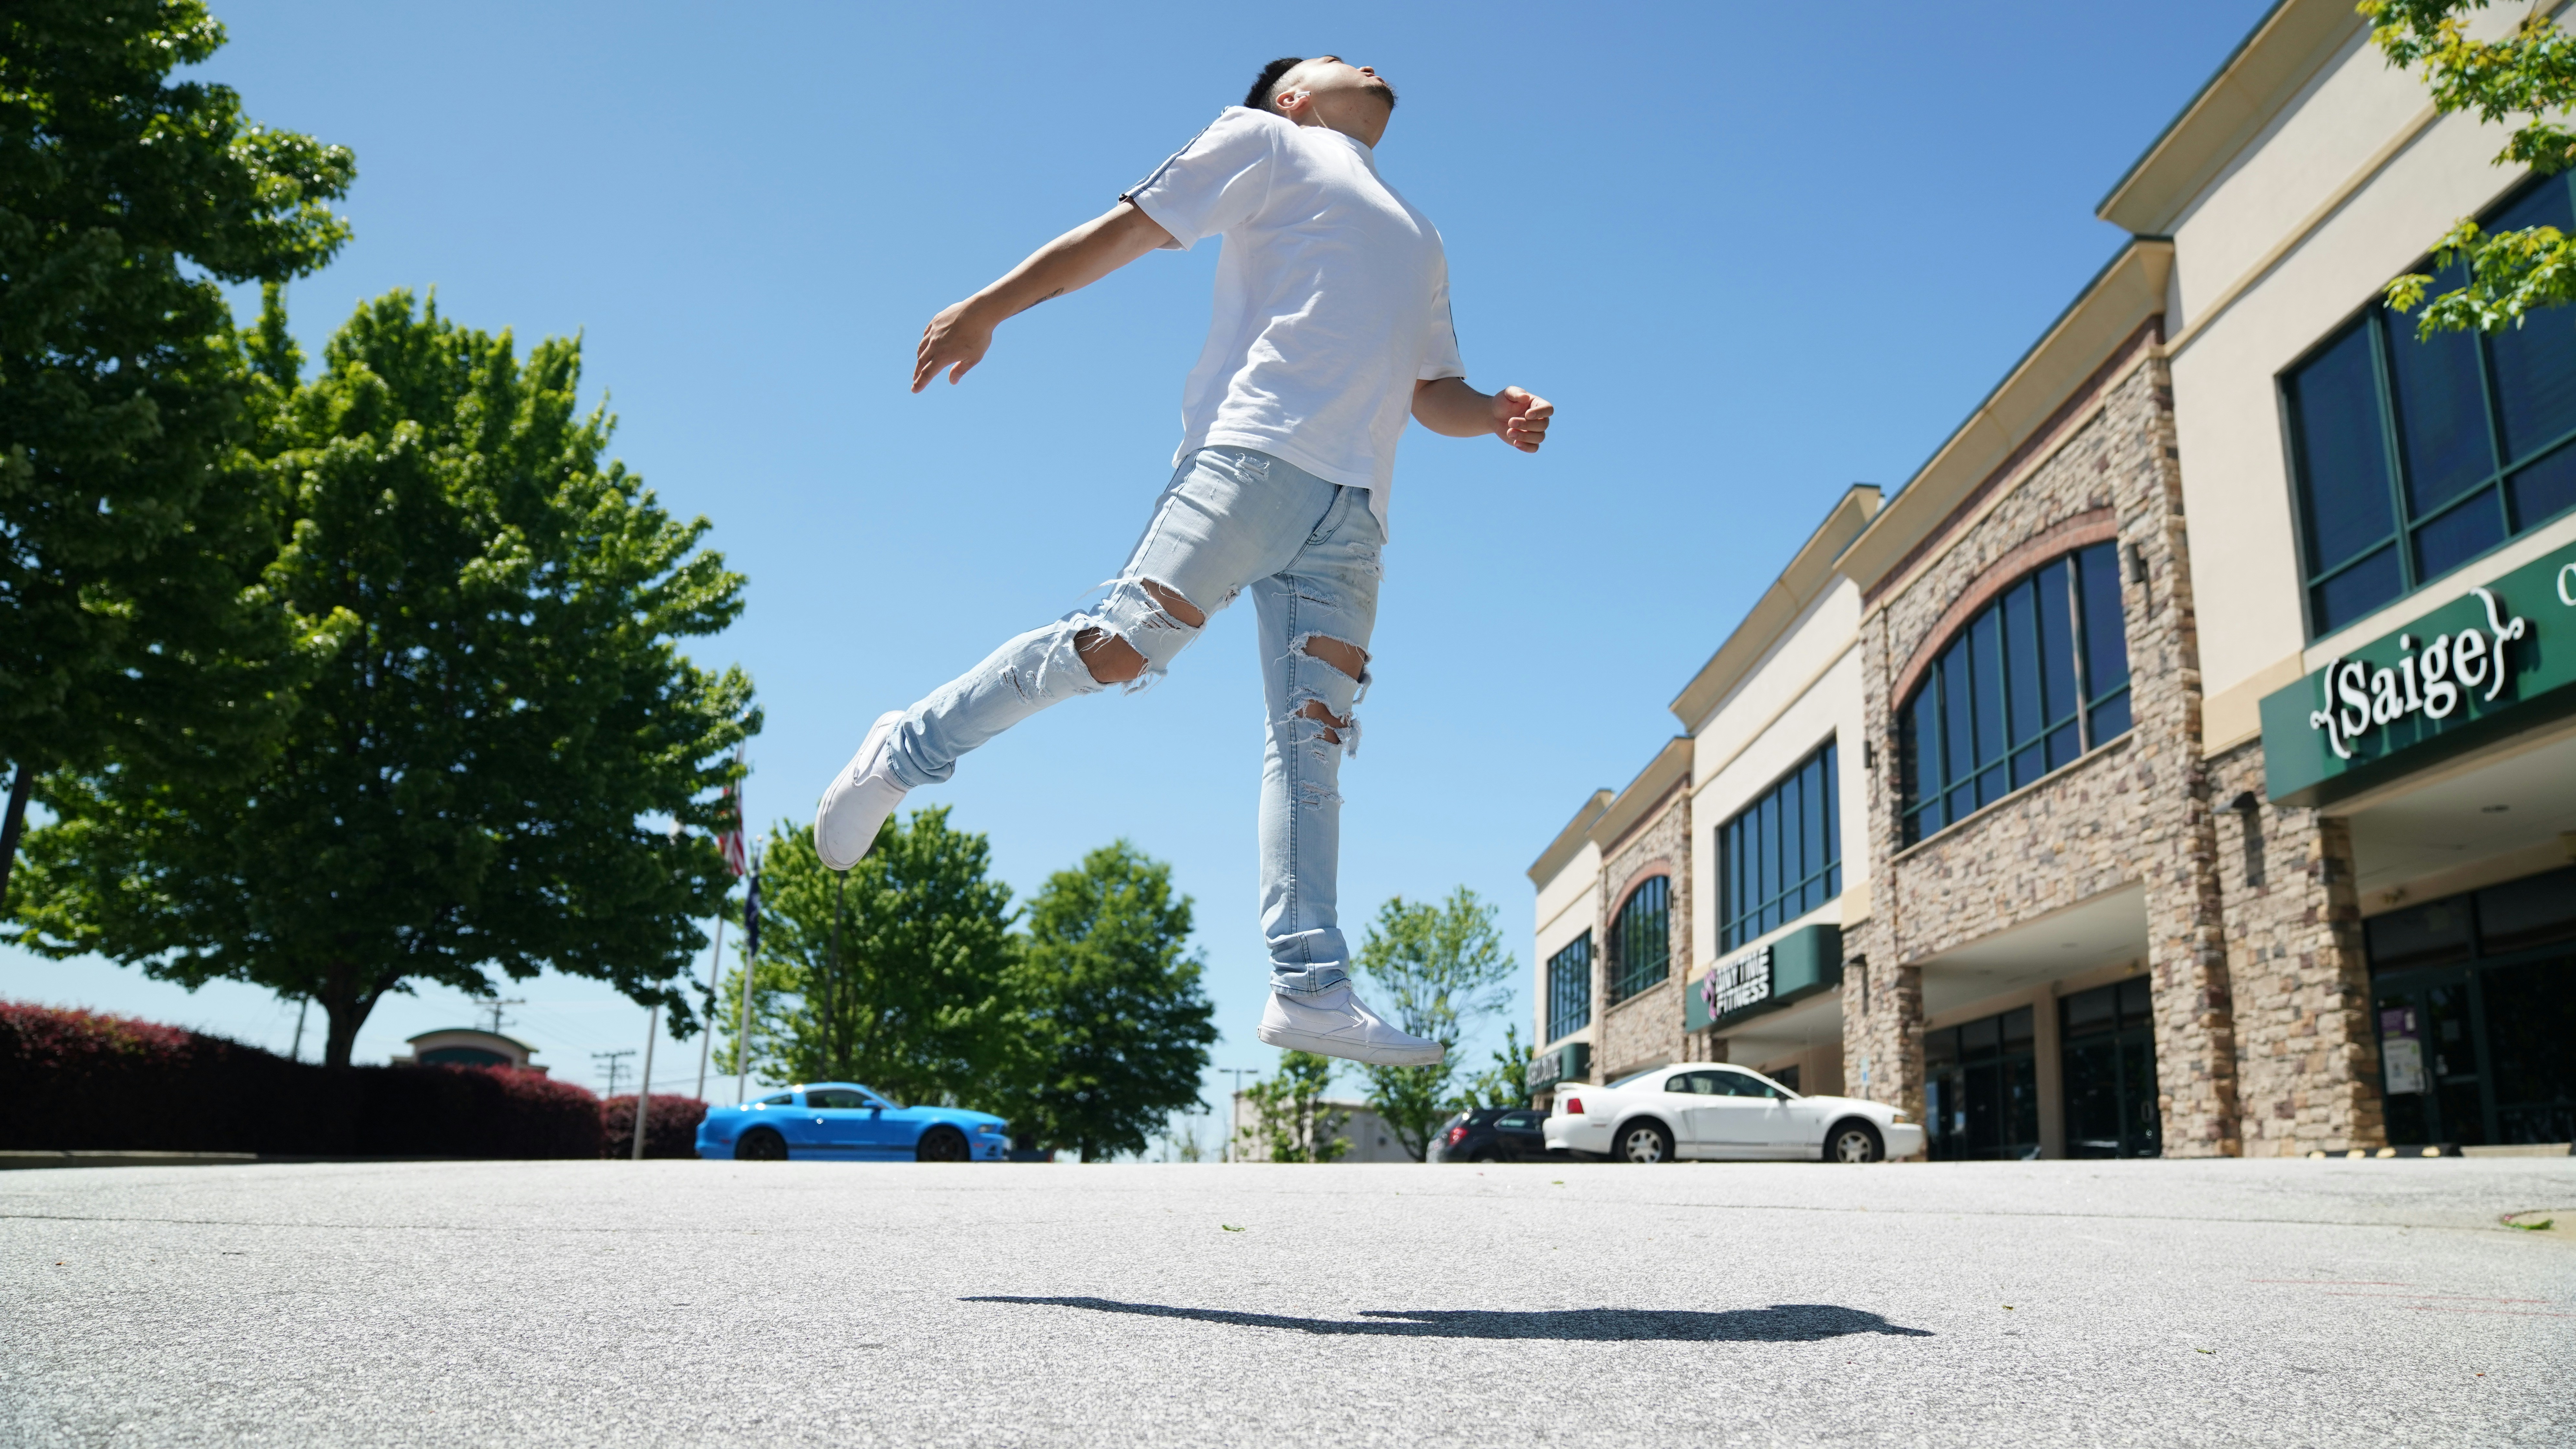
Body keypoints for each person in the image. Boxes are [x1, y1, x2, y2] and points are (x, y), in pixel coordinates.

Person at [815, 56, 1552, 1067]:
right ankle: (907, 750)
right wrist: (988, 305)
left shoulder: (1421, 233)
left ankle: (1309, 987)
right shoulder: (1264, 141)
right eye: (1335, 57)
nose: (1371, 63)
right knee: (1118, 648)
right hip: (1254, 459)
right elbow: (1122, 234)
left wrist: (1495, 415)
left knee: (1315, 739)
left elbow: (1436, 391)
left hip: (1355, 514)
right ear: (1291, 94)